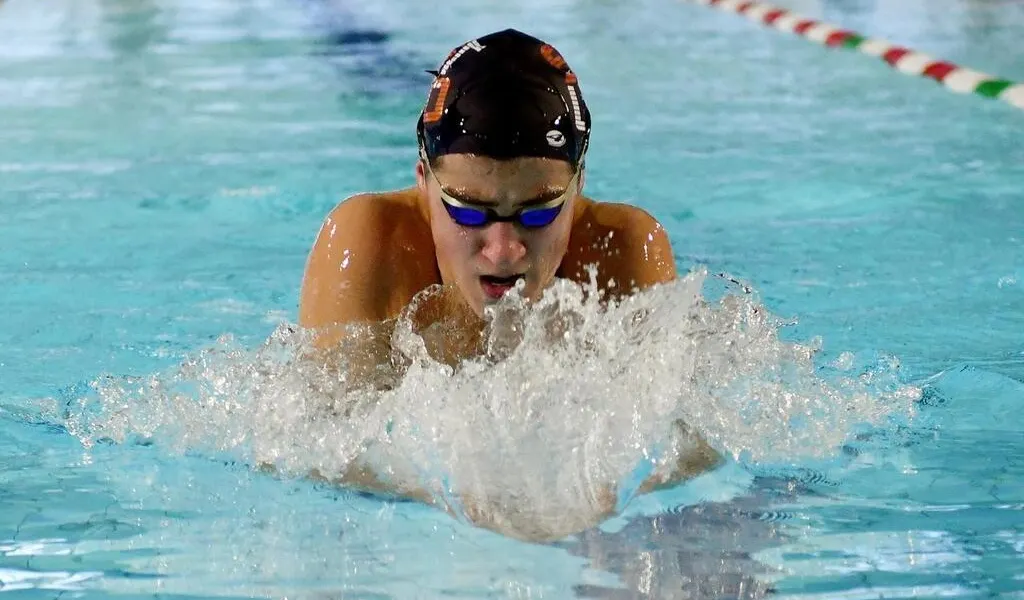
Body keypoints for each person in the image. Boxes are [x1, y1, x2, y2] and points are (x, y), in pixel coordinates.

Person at [297, 28, 721, 536]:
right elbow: (322, 446)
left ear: (579, 186)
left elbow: (681, 449)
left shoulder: (622, 250)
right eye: (468, 212)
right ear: (423, 181)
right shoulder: (371, 241)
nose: (503, 251)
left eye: (538, 213)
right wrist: (459, 491)